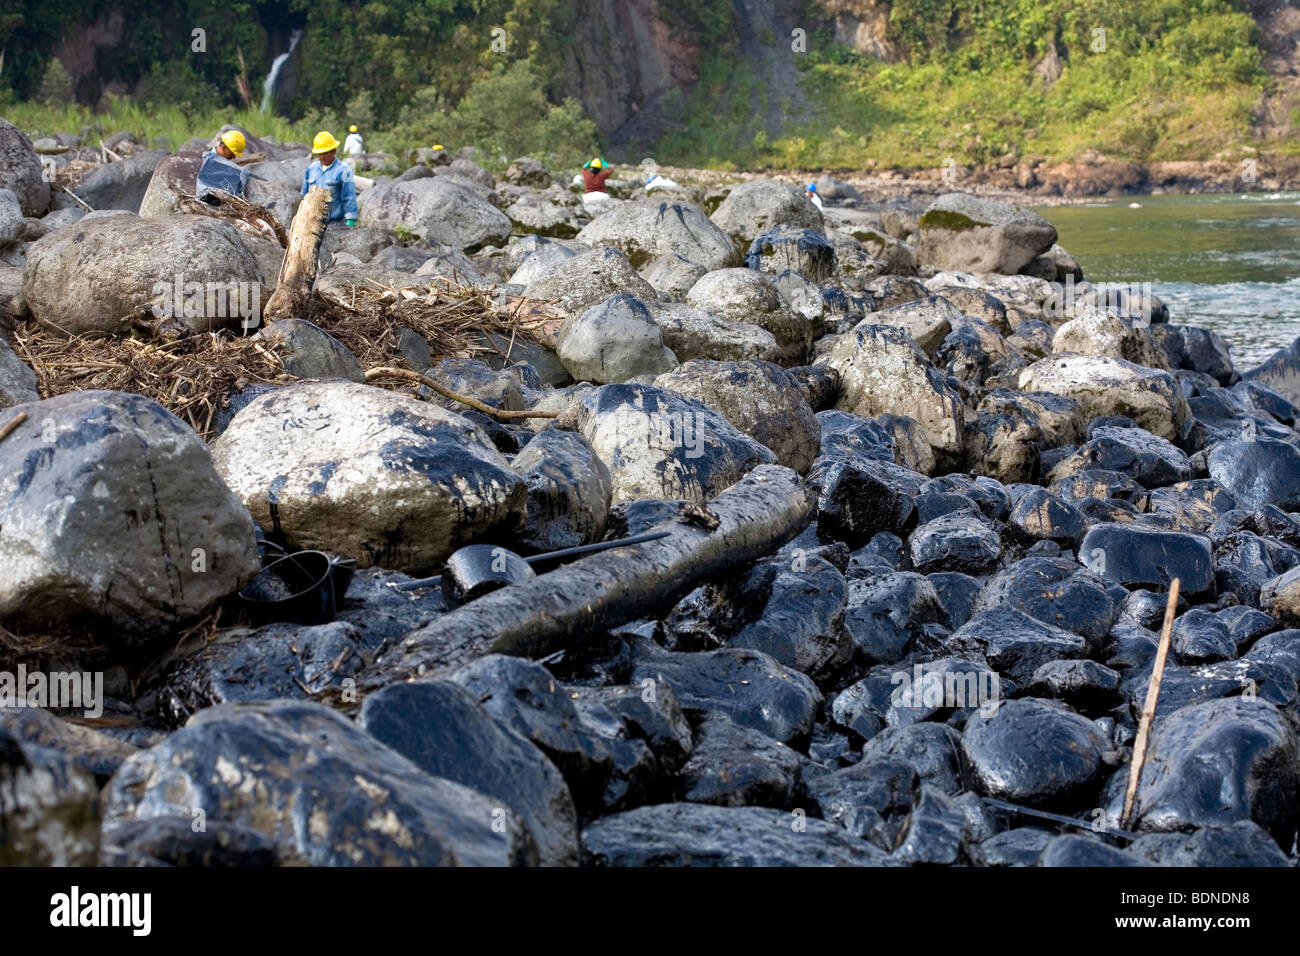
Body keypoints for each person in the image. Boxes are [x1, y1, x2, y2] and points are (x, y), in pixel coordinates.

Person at [302, 131, 359, 227]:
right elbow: (304, 195)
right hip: (312, 222)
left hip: (335, 223)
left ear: (333, 151)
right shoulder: (311, 169)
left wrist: (351, 219)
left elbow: (349, 197)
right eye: (319, 153)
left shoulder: (344, 171)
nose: (322, 156)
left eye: (325, 153)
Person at [196, 129, 249, 203]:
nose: (233, 157)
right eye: (232, 154)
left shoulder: (228, 167)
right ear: (224, 148)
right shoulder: (206, 162)